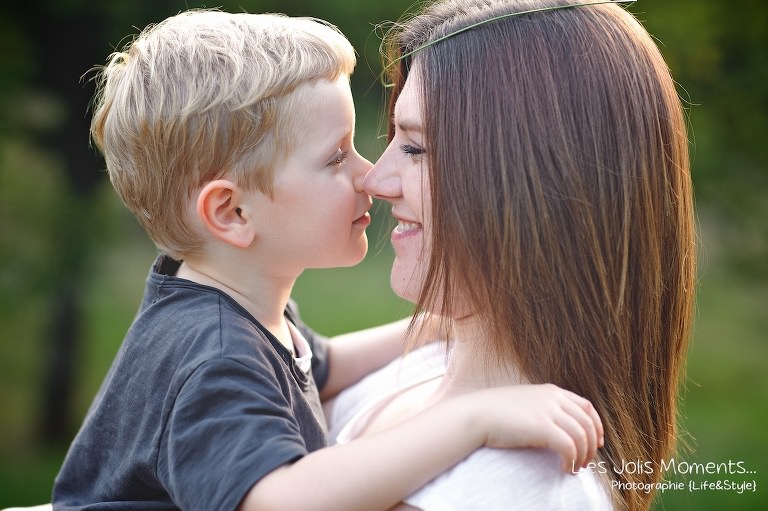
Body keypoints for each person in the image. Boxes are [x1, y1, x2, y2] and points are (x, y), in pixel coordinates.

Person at [49, 9, 605, 511]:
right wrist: (472, 418)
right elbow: (281, 499)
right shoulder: (213, 355)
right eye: (337, 158)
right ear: (233, 212)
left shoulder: (235, 311)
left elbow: (323, 365)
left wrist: (440, 326)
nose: (369, 175)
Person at [325, 0, 696, 510]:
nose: (375, 181)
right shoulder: (418, 363)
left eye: (415, 148)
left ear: (535, 184)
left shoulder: (523, 488)